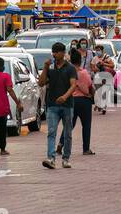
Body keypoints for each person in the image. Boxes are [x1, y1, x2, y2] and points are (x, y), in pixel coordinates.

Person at [38, 41, 76, 169]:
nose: (54, 55)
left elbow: (73, 85)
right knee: (51, 132)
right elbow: (41, 83)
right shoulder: (51, 67)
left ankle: (66, 158)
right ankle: (51, 158)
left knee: (67, 133)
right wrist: (45, 67)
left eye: (57, 52)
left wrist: (65, 97)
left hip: (67, 105)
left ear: (63, 53)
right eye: (53, 52)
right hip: (52, 105)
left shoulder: (70, 68)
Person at [0, 58, 22, 157]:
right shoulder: (5, 76)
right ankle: (2, 149)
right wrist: (17, 103)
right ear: (1, 66)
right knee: (3, 129)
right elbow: (10, 90)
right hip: (2, 107)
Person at [68, 48, 96, 155]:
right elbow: (90, 86)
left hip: (71, 100)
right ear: (80, 61)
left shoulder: (68, 72)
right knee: (86, 125)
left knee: (69, 125)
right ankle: (86, 149)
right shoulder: (84, 73)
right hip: (84, 101)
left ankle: (61, 144)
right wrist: (92, 96)